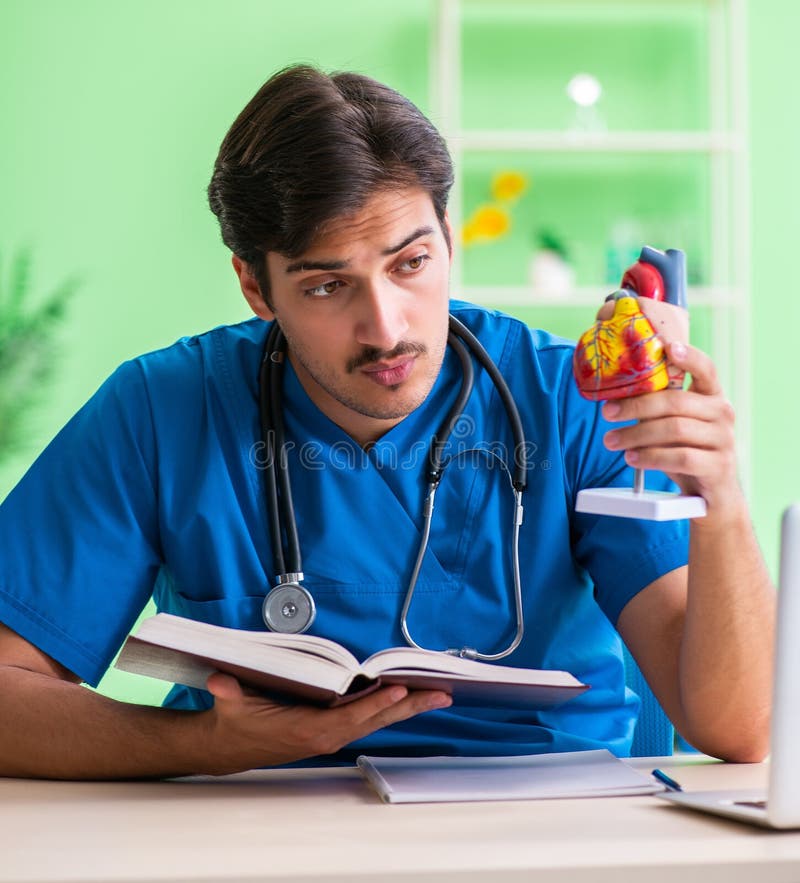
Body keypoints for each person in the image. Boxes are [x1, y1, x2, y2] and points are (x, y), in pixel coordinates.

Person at [0, 65, 774, 779]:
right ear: (255, 286)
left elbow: (741, 729)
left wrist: (722, 499)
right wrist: (199, 745)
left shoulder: (566, 399)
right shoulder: (162, 410)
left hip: (551, 819)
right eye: (329, 285)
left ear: (448, 233)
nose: (386, 327)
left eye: (411, 264)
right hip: (258, 824)